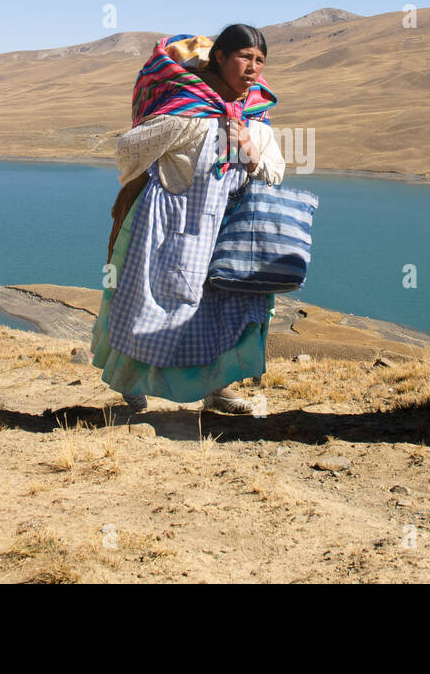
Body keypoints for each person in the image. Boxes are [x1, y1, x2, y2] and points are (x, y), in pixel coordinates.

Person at [91, 24, 286, 414]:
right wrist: (161, 178)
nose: (252, 67)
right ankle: (130, 387)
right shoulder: (188, 112)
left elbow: (275, 171)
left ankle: (219, 390)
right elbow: (129, 149)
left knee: (225, 308)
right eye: (244, 57)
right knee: (151, 305)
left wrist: (249, 150)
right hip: (172, 228)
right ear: (220, 58)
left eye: (260, 60)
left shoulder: (254, 116)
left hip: (229, 231)